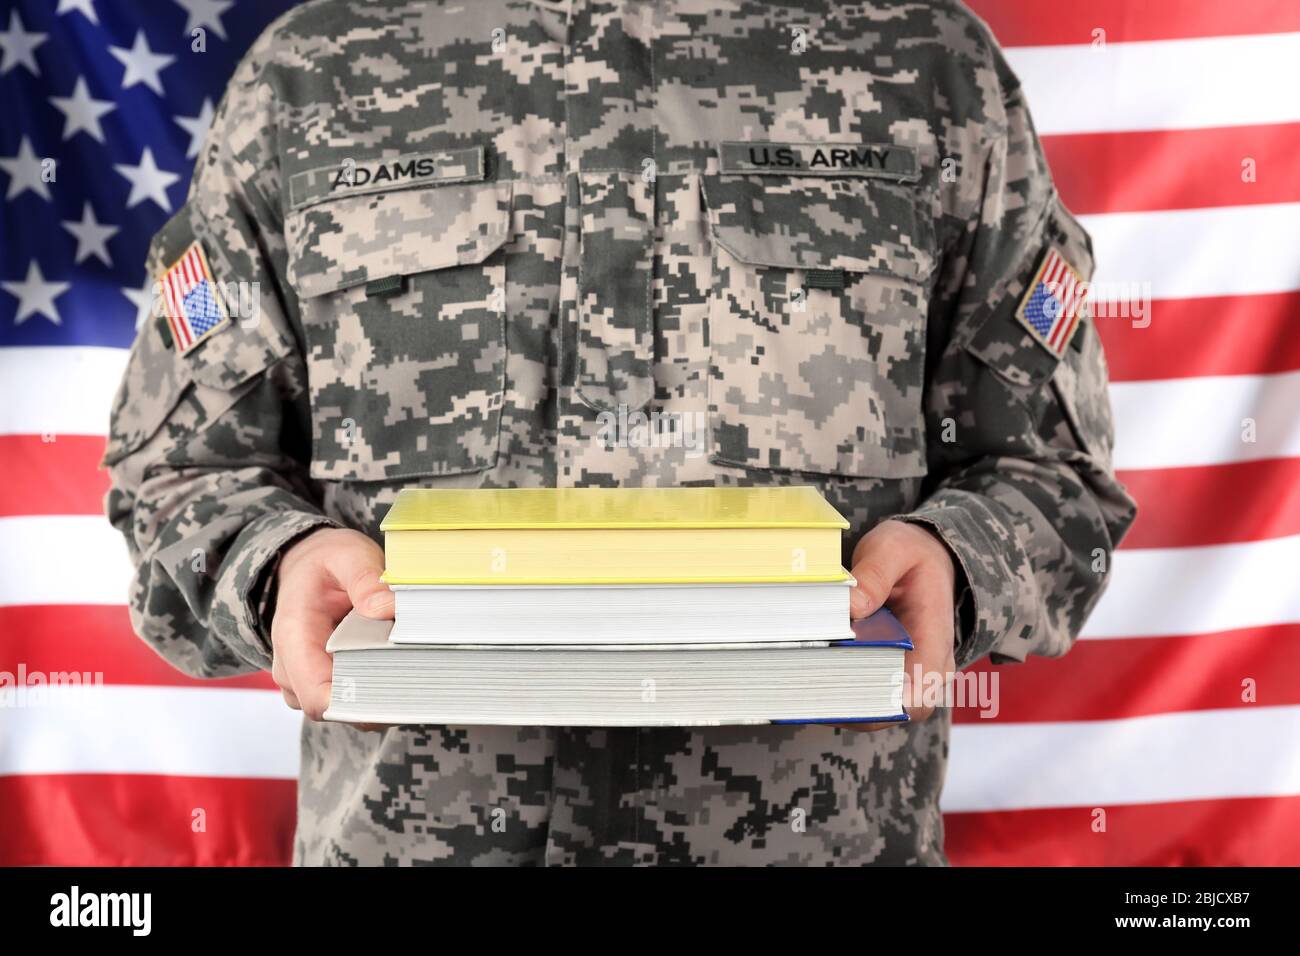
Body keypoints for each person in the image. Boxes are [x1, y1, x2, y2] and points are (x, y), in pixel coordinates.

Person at [103, 0, 1136, 865]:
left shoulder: (925, 62)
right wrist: (277, 565)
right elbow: (179, 471)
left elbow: (1050, 470)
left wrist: (957, 561)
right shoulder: (312, 73)